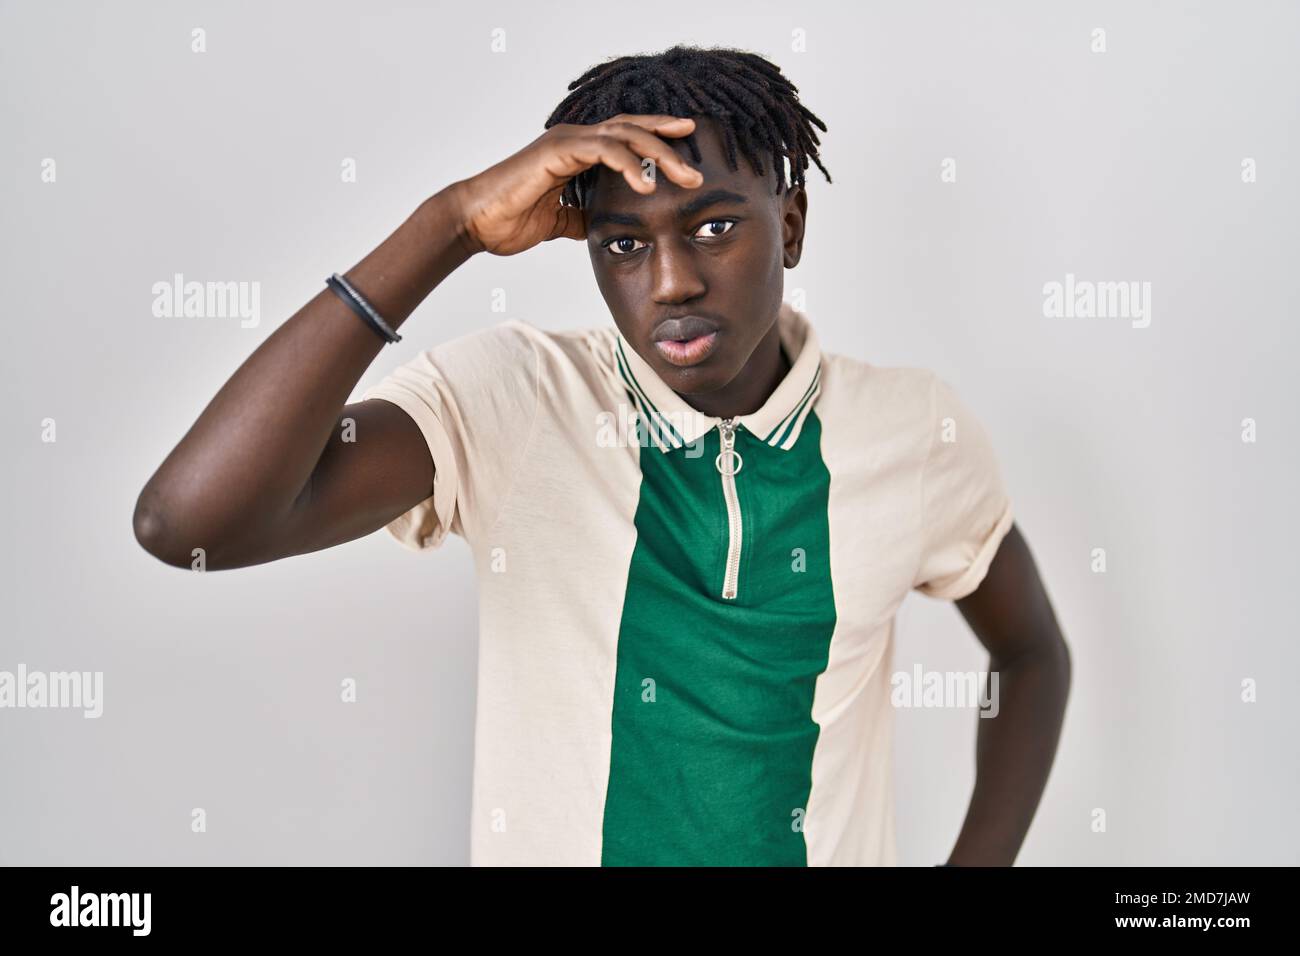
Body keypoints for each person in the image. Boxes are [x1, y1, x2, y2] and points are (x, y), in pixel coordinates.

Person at [134, 44, 1070, 866]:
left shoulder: (911, 429)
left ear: (789, 224)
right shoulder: (511, 399)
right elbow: (187, 523)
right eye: (625, 242)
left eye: (714, 226)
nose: (670, 281)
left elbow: (1030, 654)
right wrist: (451, 223)